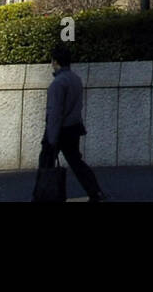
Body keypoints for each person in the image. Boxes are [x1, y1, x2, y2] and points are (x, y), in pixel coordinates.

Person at [39, 44, 107, 202]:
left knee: (46, 164)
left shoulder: (57, 84)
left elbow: (55, 112)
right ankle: (95, 191)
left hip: (58, 130)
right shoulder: (76, 79)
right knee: (76, 162)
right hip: (73, 128)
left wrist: (52, 137)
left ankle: (42, 195)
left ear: (55, 62)